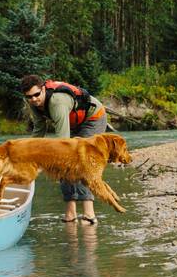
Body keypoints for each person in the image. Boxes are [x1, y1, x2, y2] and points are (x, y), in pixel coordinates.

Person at [20, 74, 111, 225]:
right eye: (29, 97)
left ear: (43, 89)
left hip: (93, 119)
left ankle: (89, 214)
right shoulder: (33, 103)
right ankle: (71, 213)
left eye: (37, 94)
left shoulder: (57, 103)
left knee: (77, 161)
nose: (34, 99)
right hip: (73, 123)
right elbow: (39, 130)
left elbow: (63, 145)